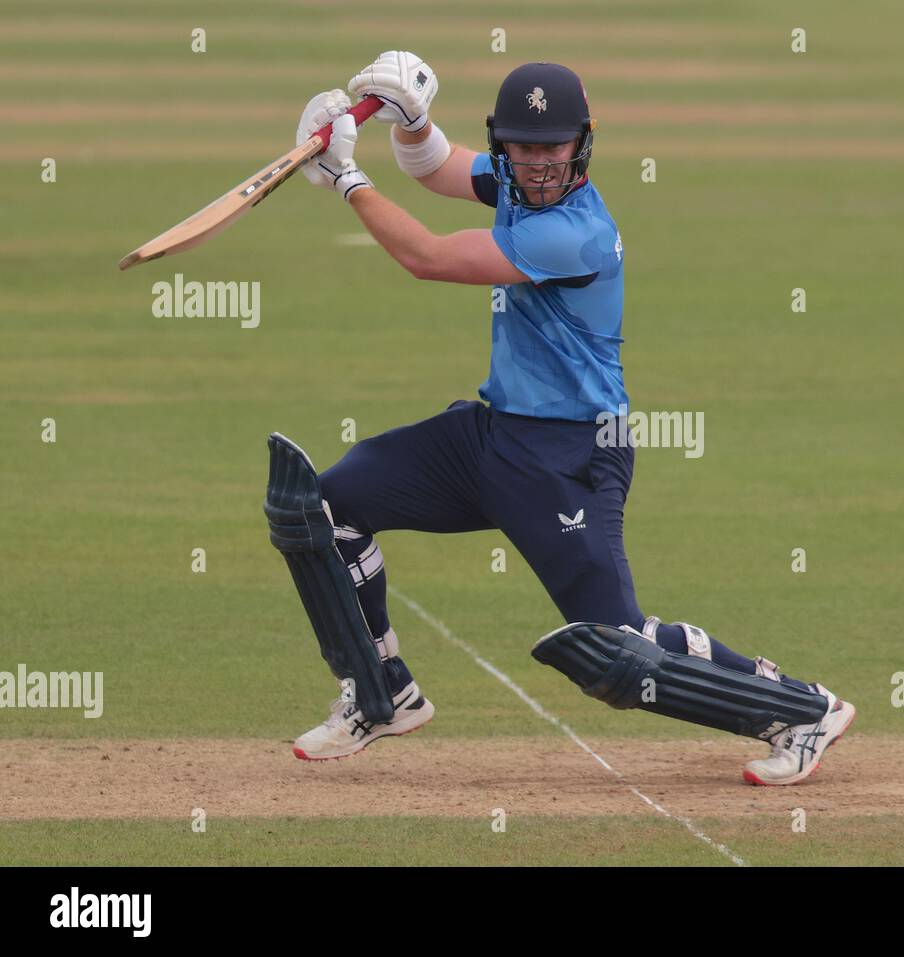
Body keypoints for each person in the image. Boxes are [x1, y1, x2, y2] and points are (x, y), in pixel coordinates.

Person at [266, 52, 854, 785]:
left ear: (582, 145)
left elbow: (428, 258)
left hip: (572, 453)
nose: (538, 164)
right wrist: (410, 121)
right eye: (523, 146)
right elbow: (439, 166)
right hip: (494, 434)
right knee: (325, 507)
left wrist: (348, 180)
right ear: (506, 143)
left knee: (615, 647)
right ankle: (380, 692)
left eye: (553, 148)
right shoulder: (514, 183)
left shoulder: (573, 231)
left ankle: (802, 707)